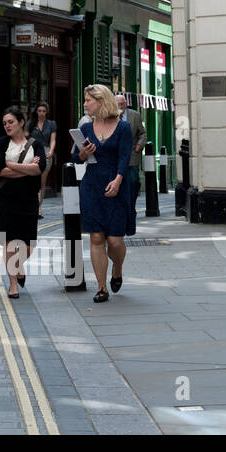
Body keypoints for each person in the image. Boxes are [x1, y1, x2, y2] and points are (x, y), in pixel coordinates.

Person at [73, 84, 134, 304]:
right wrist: (83, 153)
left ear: (101, 101)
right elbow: (76, 158)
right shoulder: (86, 129)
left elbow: (124, 158)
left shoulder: (123, 127)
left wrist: (118, 180)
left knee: (116, 241)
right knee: (96, 238)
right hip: (91, 185)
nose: (85, 104)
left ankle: (117, 268)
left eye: (89, 100)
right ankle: (101, 287)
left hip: (115, 184)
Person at [0, 107, 47, 299]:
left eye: (10, 122)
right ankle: (13, 284)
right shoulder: (0, 144)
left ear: (21, 122)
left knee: (29, 245)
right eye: (4, 123)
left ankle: (18, 266)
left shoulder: (35, 144)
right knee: (9, 243)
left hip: (29, 200)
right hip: (4, 201)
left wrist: (12, 165)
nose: (7, 126)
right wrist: (27, 168)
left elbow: (40, 168)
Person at [27, 100, 58, 214]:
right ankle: (32, 204)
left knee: (42, 181)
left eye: (43, 111)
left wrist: (51, 151)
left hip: (45, 152)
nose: (41, 113)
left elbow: (53, 140)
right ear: (36, 111)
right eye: (39, 111)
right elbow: (25, 140)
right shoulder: (30, 124)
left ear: (46, 112)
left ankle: (39, 207)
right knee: (32, 180)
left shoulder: (51, 124)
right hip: (32, 152)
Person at [117, 95, 146, 208]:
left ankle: (131, 205)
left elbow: (142, 133)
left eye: (122, 104)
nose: (120, 106)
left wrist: (139, 145)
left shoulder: (135, 115)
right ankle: (122, 206)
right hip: (116, 156)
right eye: (117, 104)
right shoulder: (110, 116)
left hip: (132, 155)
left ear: (126, 103)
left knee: (133, 181)